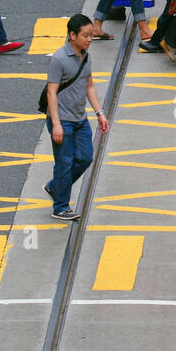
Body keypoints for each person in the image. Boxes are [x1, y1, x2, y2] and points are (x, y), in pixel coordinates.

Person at [43, 14, 109, 221]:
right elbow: (51, 93)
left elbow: (89, 84)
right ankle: (60, 207)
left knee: (86, 157)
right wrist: (56, 125)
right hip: (62, 120)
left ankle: (55, 187)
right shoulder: (59, 59)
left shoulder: (85, 55)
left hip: (80, 119)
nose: (90, 39)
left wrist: (100, 112)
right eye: (85, 36)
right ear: (72, 35)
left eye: (90, 35)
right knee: (64, 162)